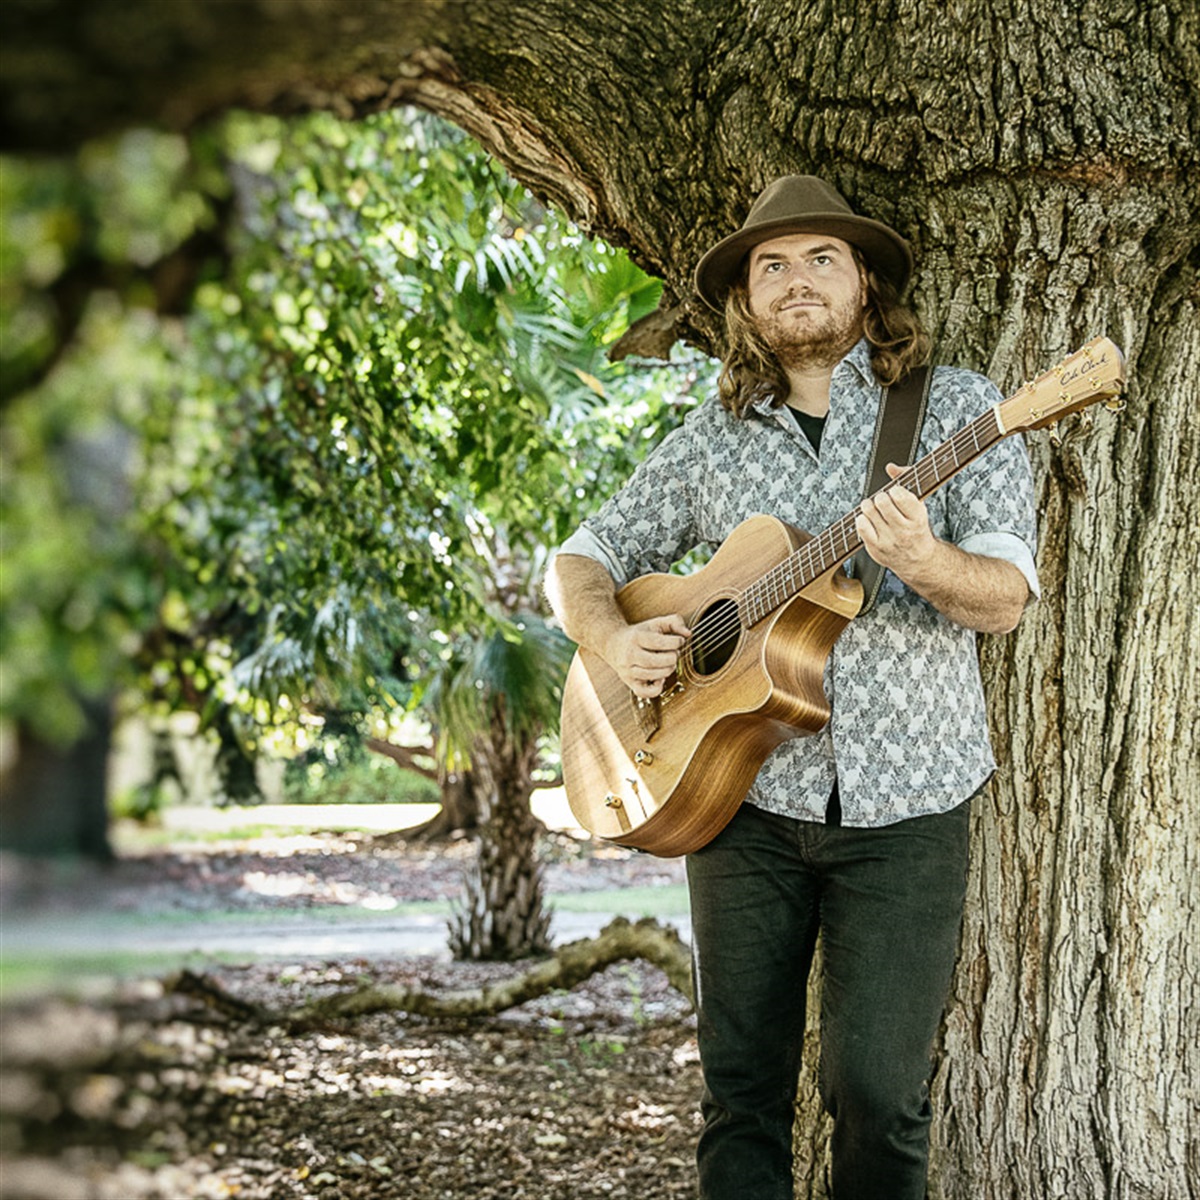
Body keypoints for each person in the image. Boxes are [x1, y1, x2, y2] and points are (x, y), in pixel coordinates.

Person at [543, 174, 1039, 1199]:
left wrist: (927, 559)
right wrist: (616, 640)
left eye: (821, 258)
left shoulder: (956, 407)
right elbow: (577, 562)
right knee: (740, 1093)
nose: (794, 279)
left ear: (865, 282)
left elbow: (1002, 600)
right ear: (746, 302)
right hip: (740, 802)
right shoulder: (709, 443)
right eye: (770, 265)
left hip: (908, 805)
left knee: (876, 1092)